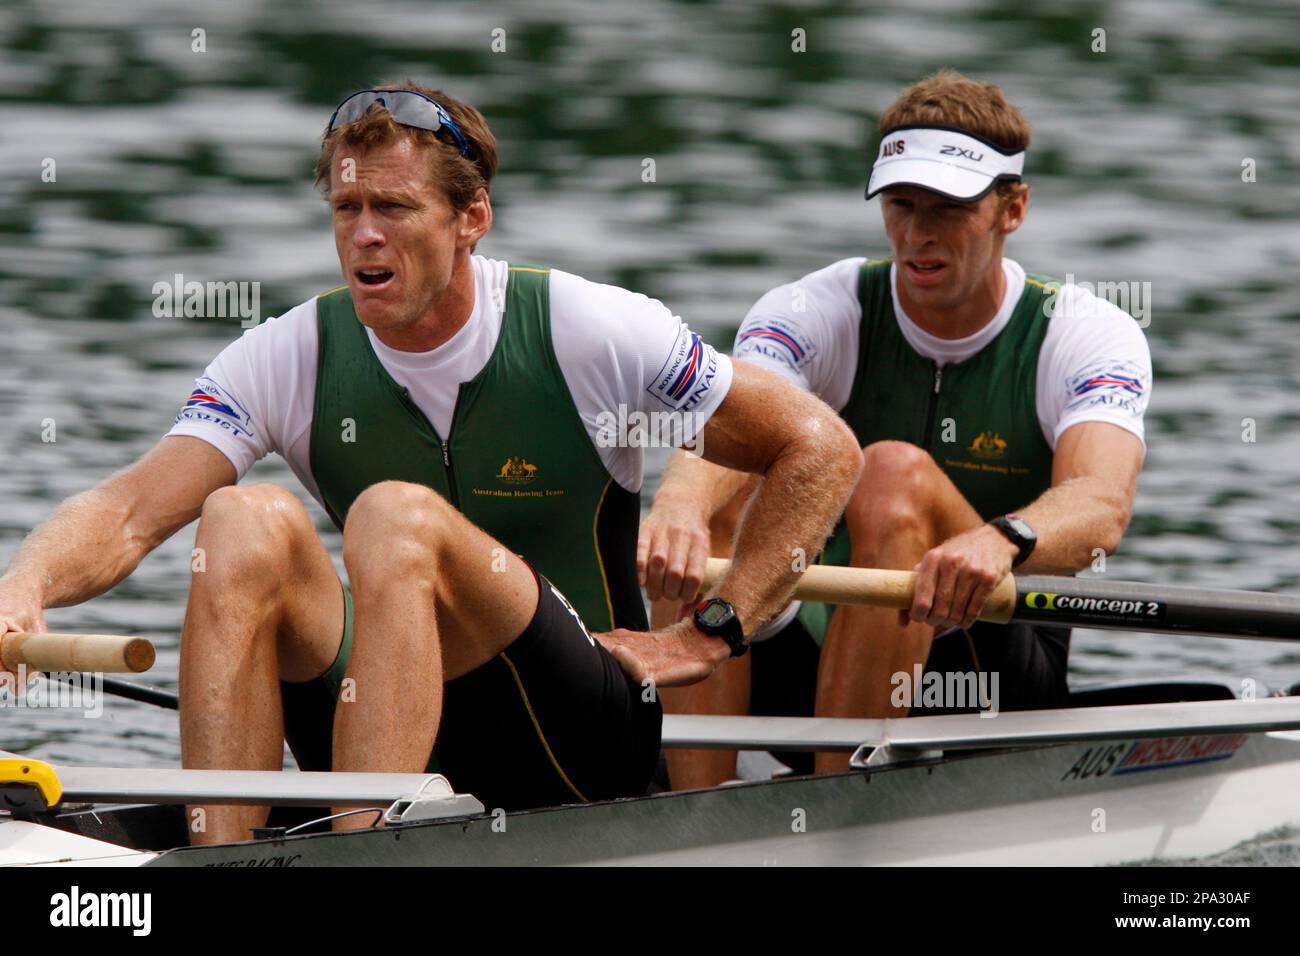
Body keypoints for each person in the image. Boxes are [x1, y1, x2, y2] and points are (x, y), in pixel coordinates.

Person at [0, 84, 862, 842]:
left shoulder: (587, 329)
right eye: (347, 211)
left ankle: (365, 841)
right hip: (383, 711)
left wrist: (712, 631)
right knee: (238, 518)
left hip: (577, 736)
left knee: (390, 514)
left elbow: (817, 447)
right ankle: (228, 851)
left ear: (472, 217)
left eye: (395, 209)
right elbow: (129, 510)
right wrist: (21, 588)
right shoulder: (285, 355)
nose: (365, 237)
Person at [641, 69, 1152, 785]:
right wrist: (677, 509)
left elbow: (1101, 504)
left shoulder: (1084, 333)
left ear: (1013, 209)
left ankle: (835, 806)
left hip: (985, 676)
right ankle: (693, 818)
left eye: (947, 207)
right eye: (901, 204)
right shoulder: (815, 310)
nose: (917, 234)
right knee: (712, 501)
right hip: (812, 664)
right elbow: (723, 422)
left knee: (891, 472)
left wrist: (999, 539)